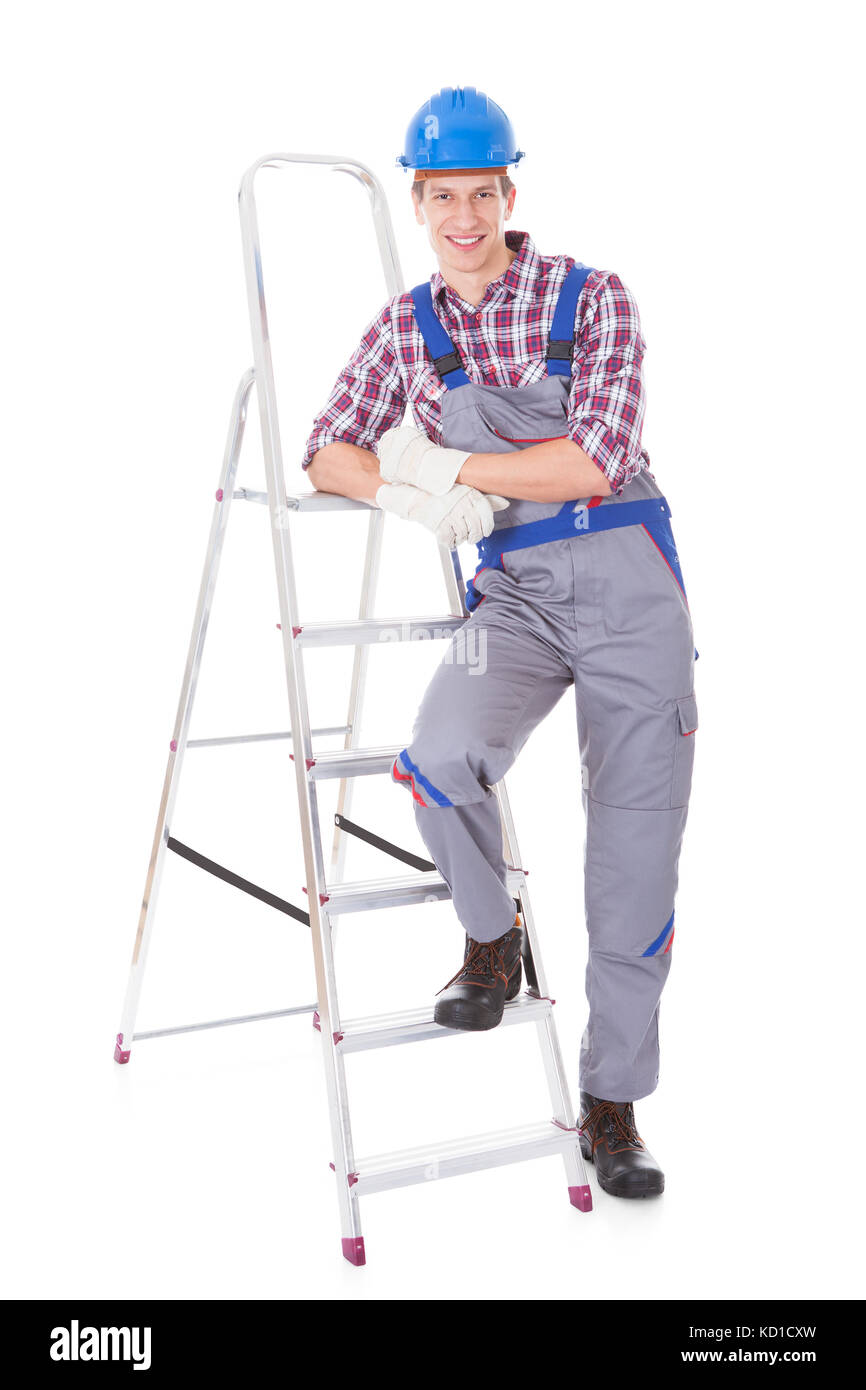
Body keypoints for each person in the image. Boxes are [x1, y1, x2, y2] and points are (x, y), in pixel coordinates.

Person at [302, 86, 698, 1199]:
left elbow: (592, 463)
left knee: (630, 864)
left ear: (509, 193)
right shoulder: (404, 327)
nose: (464, 216)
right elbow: (327, 451)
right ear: (417, 202)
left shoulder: (591, 296)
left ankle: (610, 1105)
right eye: (443, 198)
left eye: (482, 193)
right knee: (436, 757)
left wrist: (442, 467)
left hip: (630, 592)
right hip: (513, 599)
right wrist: (403, 495)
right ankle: (493, 933)